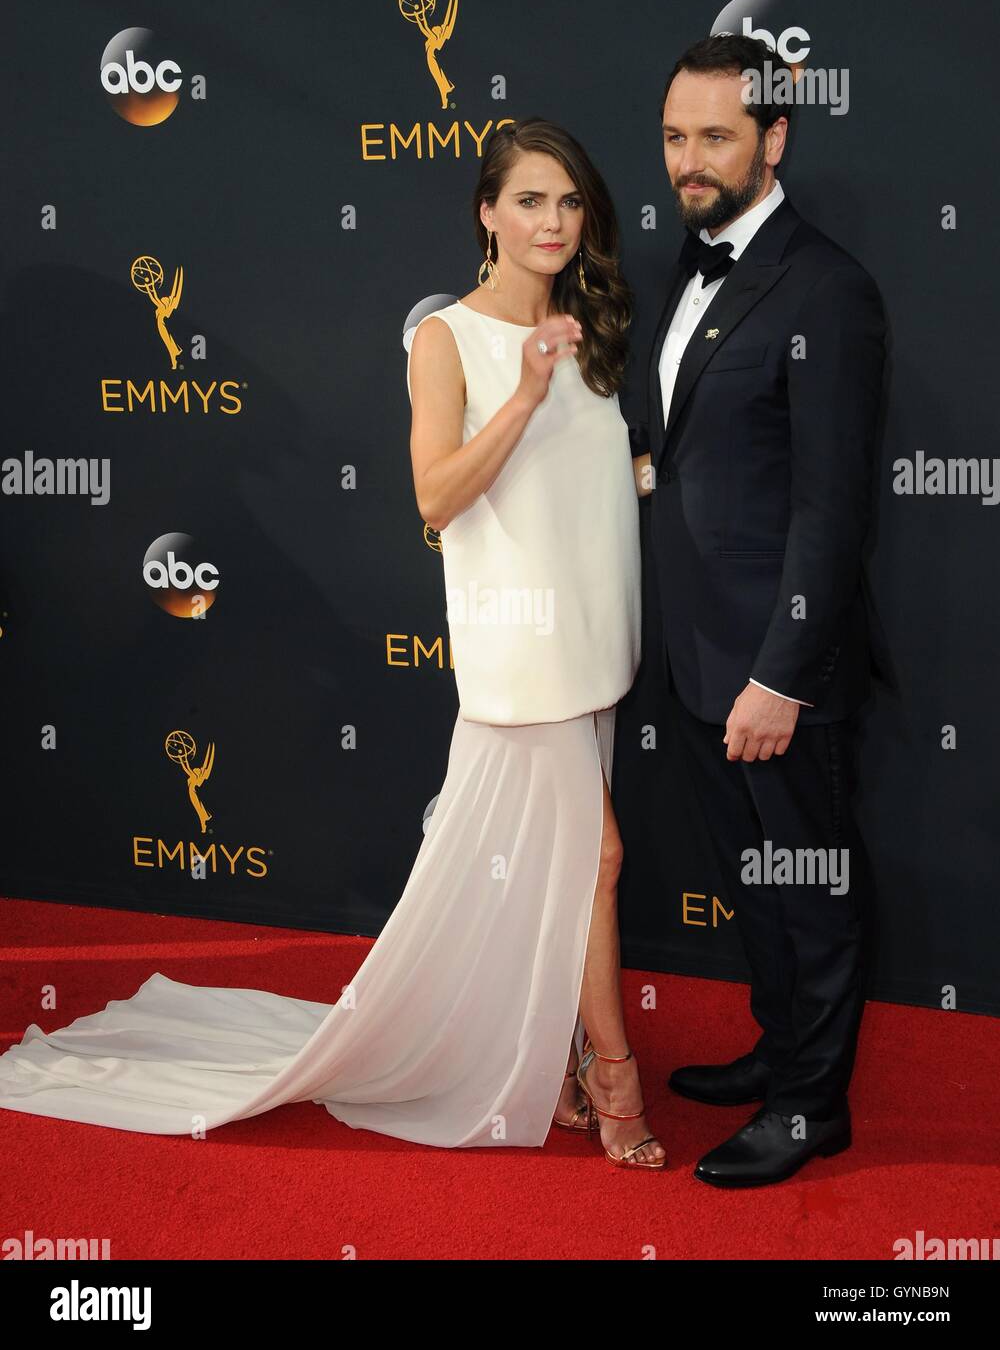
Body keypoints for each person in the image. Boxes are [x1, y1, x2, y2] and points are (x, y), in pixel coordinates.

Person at [0, 119, 666, 1169]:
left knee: (570, 866)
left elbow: (589, 484)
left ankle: (574, 1062)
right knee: (599, 857)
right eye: (529, 199)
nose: (551, 221)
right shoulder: (449, 336)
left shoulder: (588, 329)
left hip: (594, 642)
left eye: (569, 201)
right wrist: (528, 396)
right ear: (486, 213)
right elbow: (436, 496)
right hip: (521, 649)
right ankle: (612, 1080)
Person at [623, 34, 891, 1187]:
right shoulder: (683, 270)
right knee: (753, 882)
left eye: (716, 136)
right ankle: (779, 1053)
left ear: (773, 139)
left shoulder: (826, 288)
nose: (689, 159)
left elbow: (832, 508)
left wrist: (779, 675)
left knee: (811, 889)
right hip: (692, 655)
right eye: (676, 136)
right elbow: (695, 457)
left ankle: (810, 1107)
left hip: (777, 668)